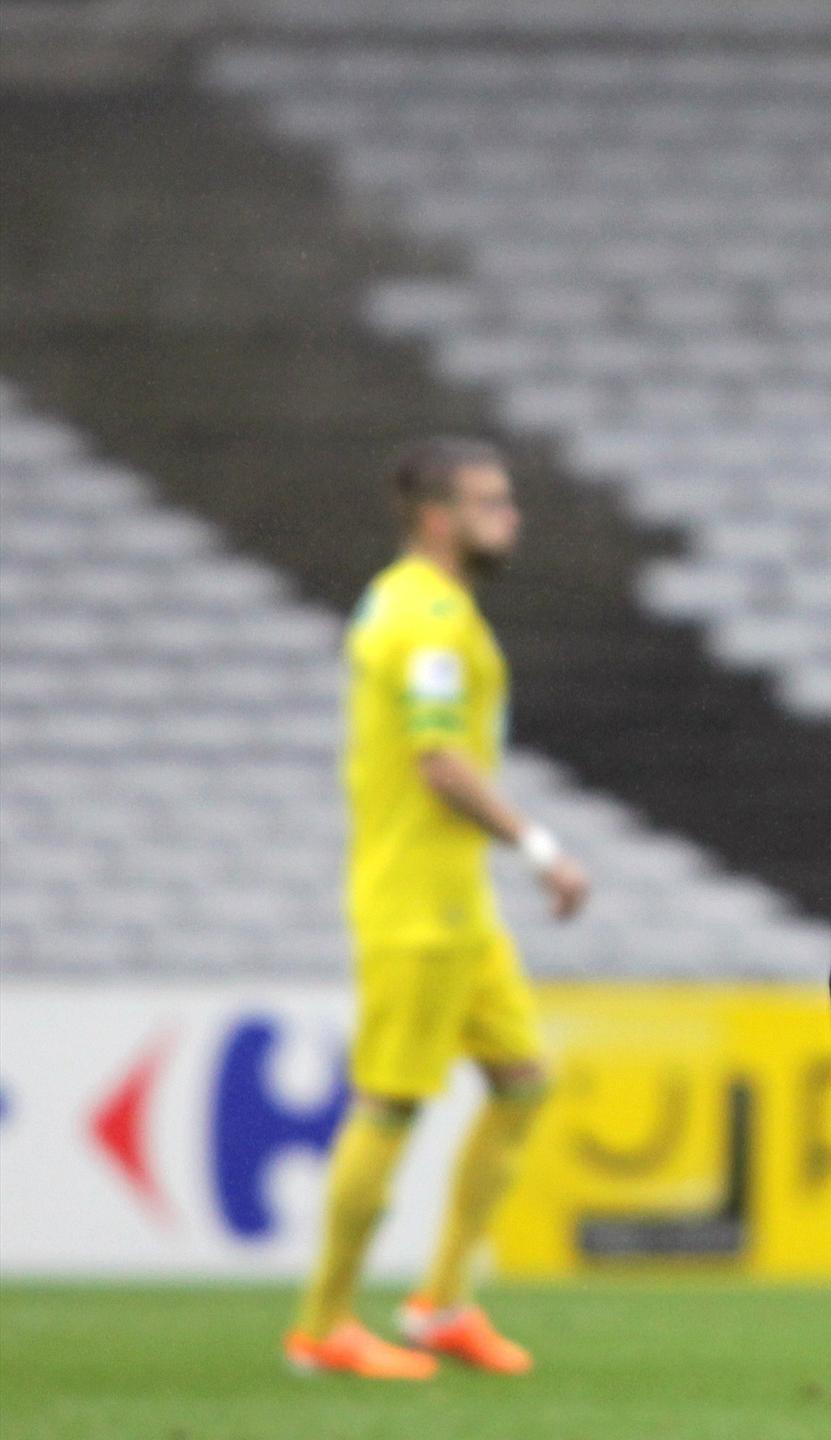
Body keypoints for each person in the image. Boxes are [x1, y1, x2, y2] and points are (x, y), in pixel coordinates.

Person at [285, 438, 588, 1380]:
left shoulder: (416, 603)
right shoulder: (426, 619)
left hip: (457, 904)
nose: (511, 517)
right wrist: (541, 849)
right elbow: (440, 760)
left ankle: (441, 1304)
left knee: (522, 1082)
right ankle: (323, 1326)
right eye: (489, 502)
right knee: (390, 1102)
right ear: (436, 517)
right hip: (417, 908)